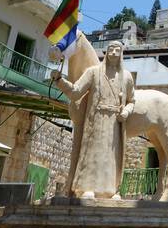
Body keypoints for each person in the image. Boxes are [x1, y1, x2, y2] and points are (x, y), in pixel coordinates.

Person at [53, 40, 134, 199]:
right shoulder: (93, 72)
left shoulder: (127, 77)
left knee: (111, 157)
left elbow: (132, 101)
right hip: (95, 120)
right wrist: (59, 81)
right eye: (110, 49)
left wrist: (125, 112)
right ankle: (86, 187)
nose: (113, 53)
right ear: (106, 52)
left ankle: (110, 190)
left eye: (117, 50)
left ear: (121, 54)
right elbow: (76, 92)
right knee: (92, 153)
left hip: (114, 124)